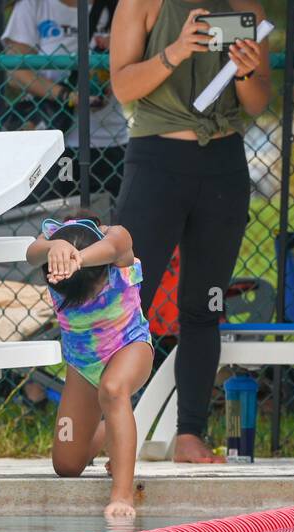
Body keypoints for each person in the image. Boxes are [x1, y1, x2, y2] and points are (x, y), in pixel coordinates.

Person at [109, 1, 270, 464]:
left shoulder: (246, 8)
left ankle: (190, 433)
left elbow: (257, 102)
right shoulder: (141, 4)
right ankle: (108, 425)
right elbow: (122, 86)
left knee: (205, 305)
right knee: (129, 301)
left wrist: (244, 73)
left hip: (223, 166)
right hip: (158, 161)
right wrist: (176, 52)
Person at [27, 214, 153, 519]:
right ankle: (114, 430)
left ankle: (122, 494)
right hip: (83, 366)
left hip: (130, 347)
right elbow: (32, 253)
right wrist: (55, 246)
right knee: (67, 466)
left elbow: (112, 247)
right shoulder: (53, 252)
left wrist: (78, 258)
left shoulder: (116, 243)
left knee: (112, 389)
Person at [2, 0, 129, 201]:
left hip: (110, 138)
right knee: (55, 222)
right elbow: (16, 72)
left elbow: (134, 60)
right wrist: (65, 95)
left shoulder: (118, 6)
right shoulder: (34, 5)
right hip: (53, 139)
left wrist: (108, 86)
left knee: (109, 222)